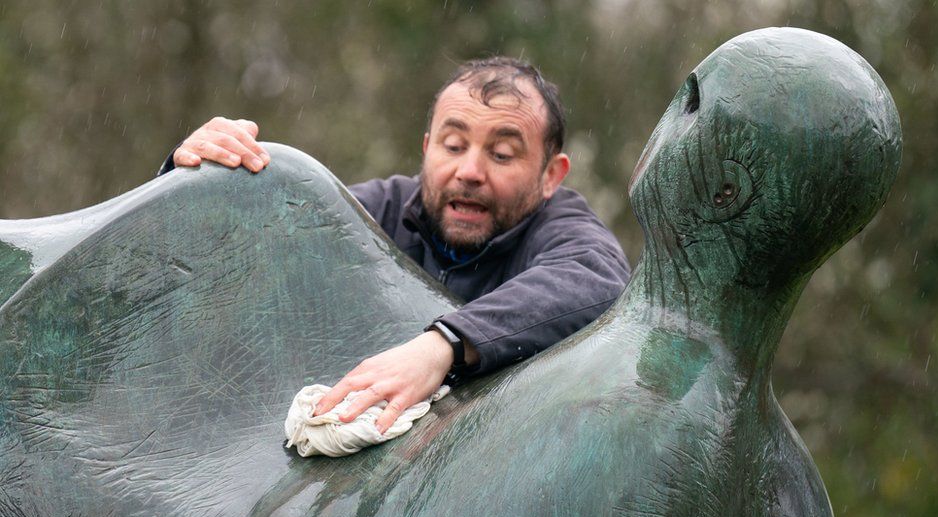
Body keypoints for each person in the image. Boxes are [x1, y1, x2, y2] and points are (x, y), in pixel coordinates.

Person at [158, 57, 630, 434]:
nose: (469, 170)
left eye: (501, 154)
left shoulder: (564, 228)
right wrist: (193, 178)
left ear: (551, 175)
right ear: (426, 148)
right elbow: (249, 238)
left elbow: (597, 279)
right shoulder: (379, 208)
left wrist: (443, 346)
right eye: (452, 144)